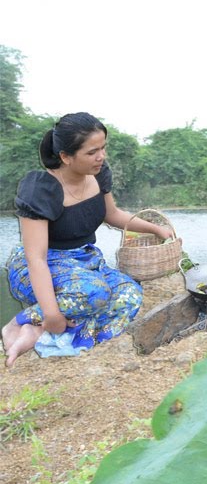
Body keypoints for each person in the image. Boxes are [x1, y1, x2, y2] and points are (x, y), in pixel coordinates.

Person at [2, 112, 175, 367]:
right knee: (95, 293)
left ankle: (47, 332)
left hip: (85, 260)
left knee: (130, 294)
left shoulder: (99, 174)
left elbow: (112, 214)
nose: (101, 156)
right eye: (92, 152)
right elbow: (35, 258)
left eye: (103, 148)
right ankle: (21, 323)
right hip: (43, 264)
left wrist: (155, 229)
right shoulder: (41, 190)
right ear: (65, 157)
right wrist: (51, 313)